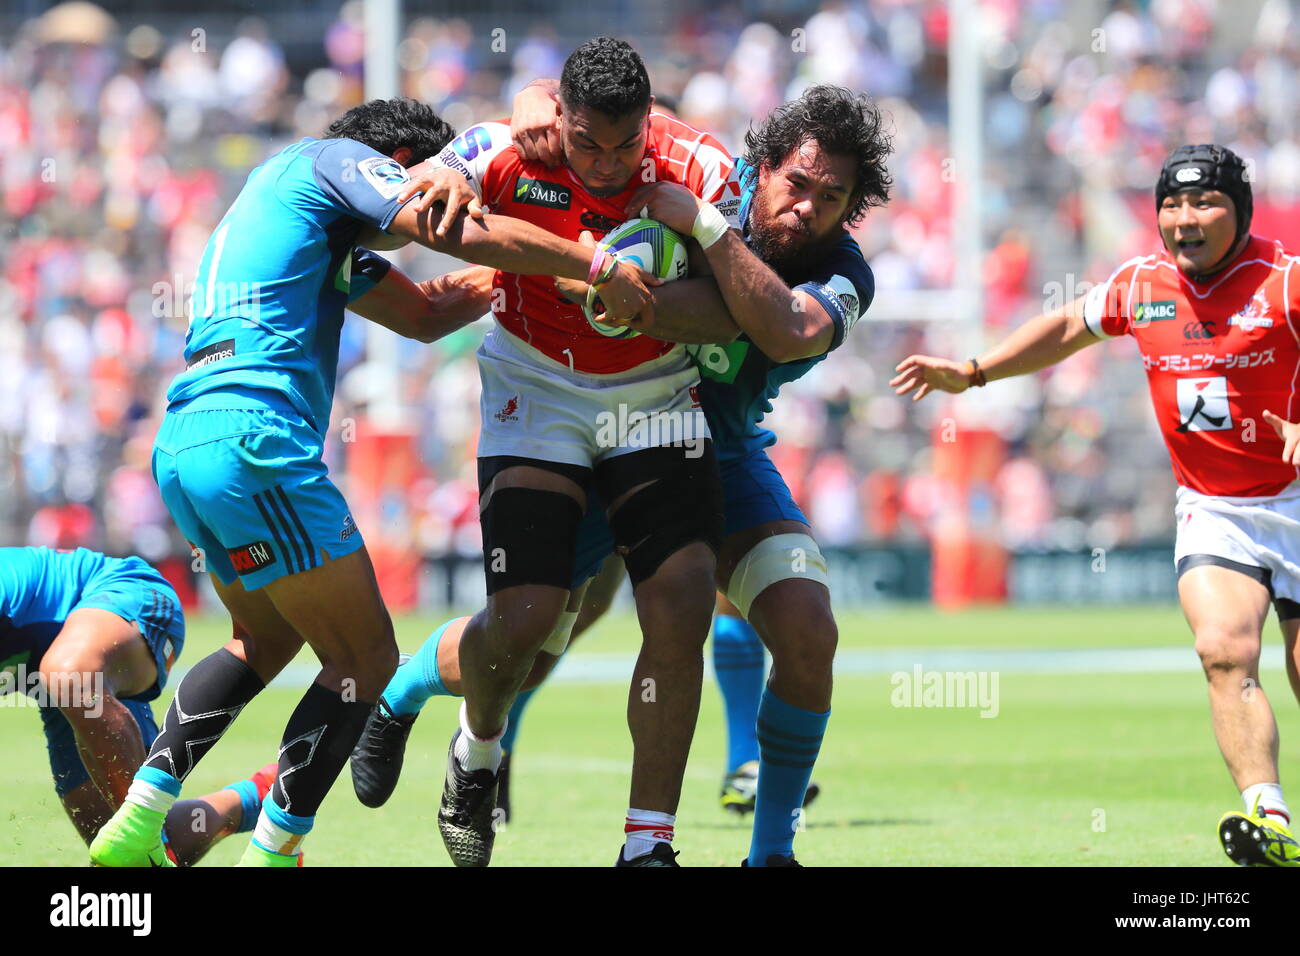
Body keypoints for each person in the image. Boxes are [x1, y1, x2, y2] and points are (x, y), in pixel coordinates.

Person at [89, 95, 653, 868]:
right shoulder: (333, 160)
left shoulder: (294, 205)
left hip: (188, 440)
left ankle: (135, 823)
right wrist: (589, 259)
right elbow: (450, 224)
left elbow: (422, 315)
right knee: (367, 661)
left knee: (264, 639)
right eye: (428, 181)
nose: (426, 206)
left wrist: (516, 283)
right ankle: (274, 851)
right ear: (395, 167)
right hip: (257, 439)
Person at [353, 83, 890, 867]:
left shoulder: (840, 270)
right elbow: (600, 131)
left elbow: (784, 329)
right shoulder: (708, 180)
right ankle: (410, 693)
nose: (806, 207)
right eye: (796, 183)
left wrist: (691, 239)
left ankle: (764, 853)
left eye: (830, 196)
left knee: (806, 631)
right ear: (762, 168)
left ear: (850, 210)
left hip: (716, 450)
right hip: (599, 425)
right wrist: (532, 98)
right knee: (532, 631)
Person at [891, 143, 1300, 867]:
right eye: (1171, 204)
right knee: (1223, 652)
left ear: (1240, 210)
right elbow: (1067, 328)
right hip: (1215, 508)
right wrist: (976, 371)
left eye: (1204, 203)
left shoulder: (1284, 281)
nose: (1185, 218)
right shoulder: (1141, 285)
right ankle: (1272, 823)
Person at [1, 545, 278, 865]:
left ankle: (144, 839)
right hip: (62, 681)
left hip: (122, 596)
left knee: (69, 676)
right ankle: (255, 798)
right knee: (111, 842)